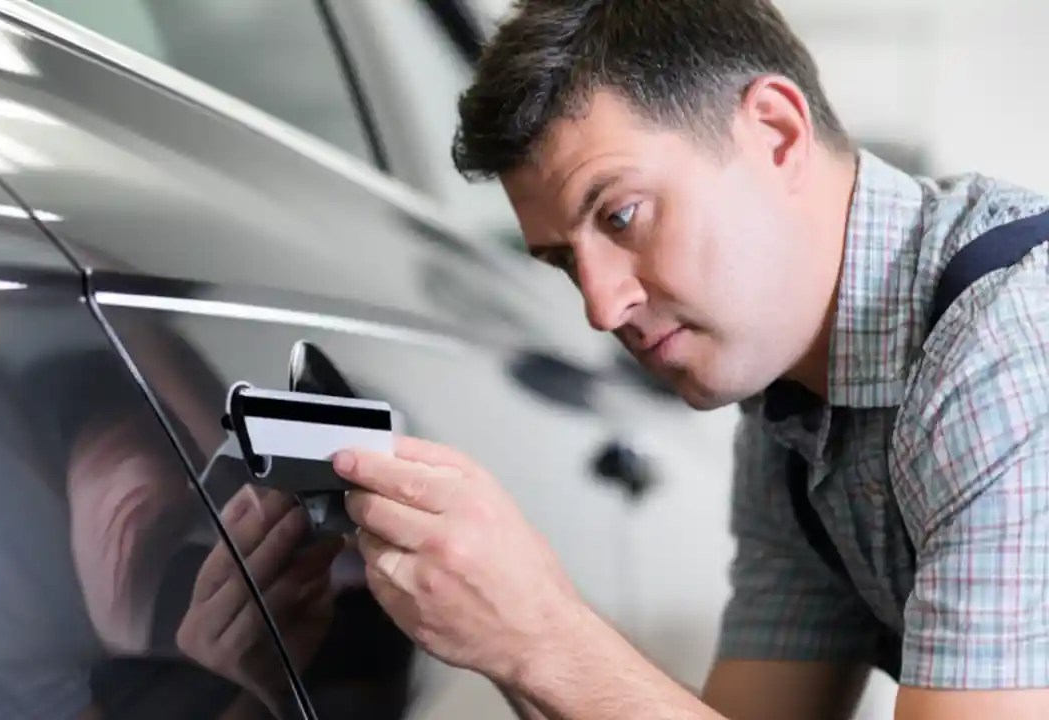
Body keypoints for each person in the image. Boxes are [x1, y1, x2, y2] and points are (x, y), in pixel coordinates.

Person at [330, 1, 1049, 718]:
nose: (601, 307)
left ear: (775, 134)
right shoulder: (793, 420)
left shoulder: (1008, 346)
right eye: (564, 262)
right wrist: (505, 639)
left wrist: (543, 638)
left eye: (621, 216)